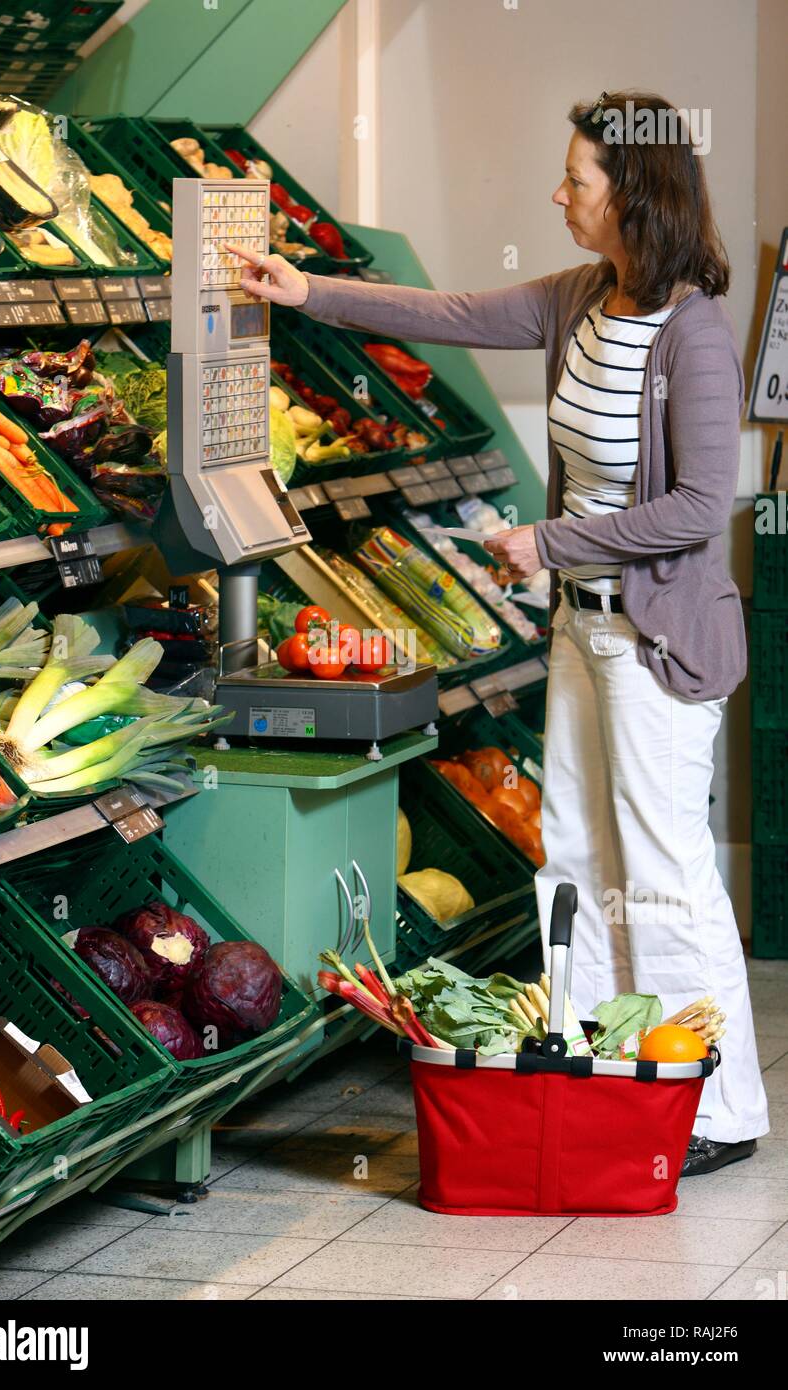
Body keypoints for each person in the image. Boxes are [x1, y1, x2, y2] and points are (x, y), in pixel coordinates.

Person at [226, 89, 769, 1175]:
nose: (558, 193)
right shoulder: (583, 298)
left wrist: (552, 541)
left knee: (661, 873)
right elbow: (456, 314)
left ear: (636, 196)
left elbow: (702, 503)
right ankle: (603, 1065)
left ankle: (714, 1106)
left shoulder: (692, 335)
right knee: (571, 850)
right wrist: (305, 291)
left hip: (657, 642)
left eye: (577, 179)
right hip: (582, 632)